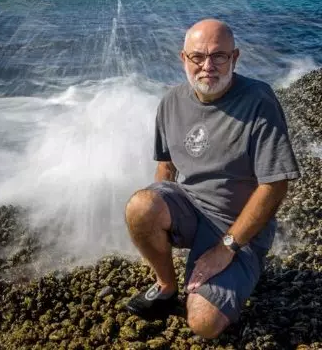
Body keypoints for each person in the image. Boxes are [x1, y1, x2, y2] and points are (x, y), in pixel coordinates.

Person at [124, 19, 300, 338]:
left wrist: (226, 247)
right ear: (183, 59)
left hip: (238, 226)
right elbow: (166, 171)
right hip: (192, 210)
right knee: (141, 206)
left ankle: (245, 267)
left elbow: (274, 185)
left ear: (235, 57)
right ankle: (166, 286)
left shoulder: (258, 100)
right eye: (198, 57)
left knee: (204, 324)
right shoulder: (170, 103)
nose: (208, 66)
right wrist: (159, 228)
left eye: (219, 56)